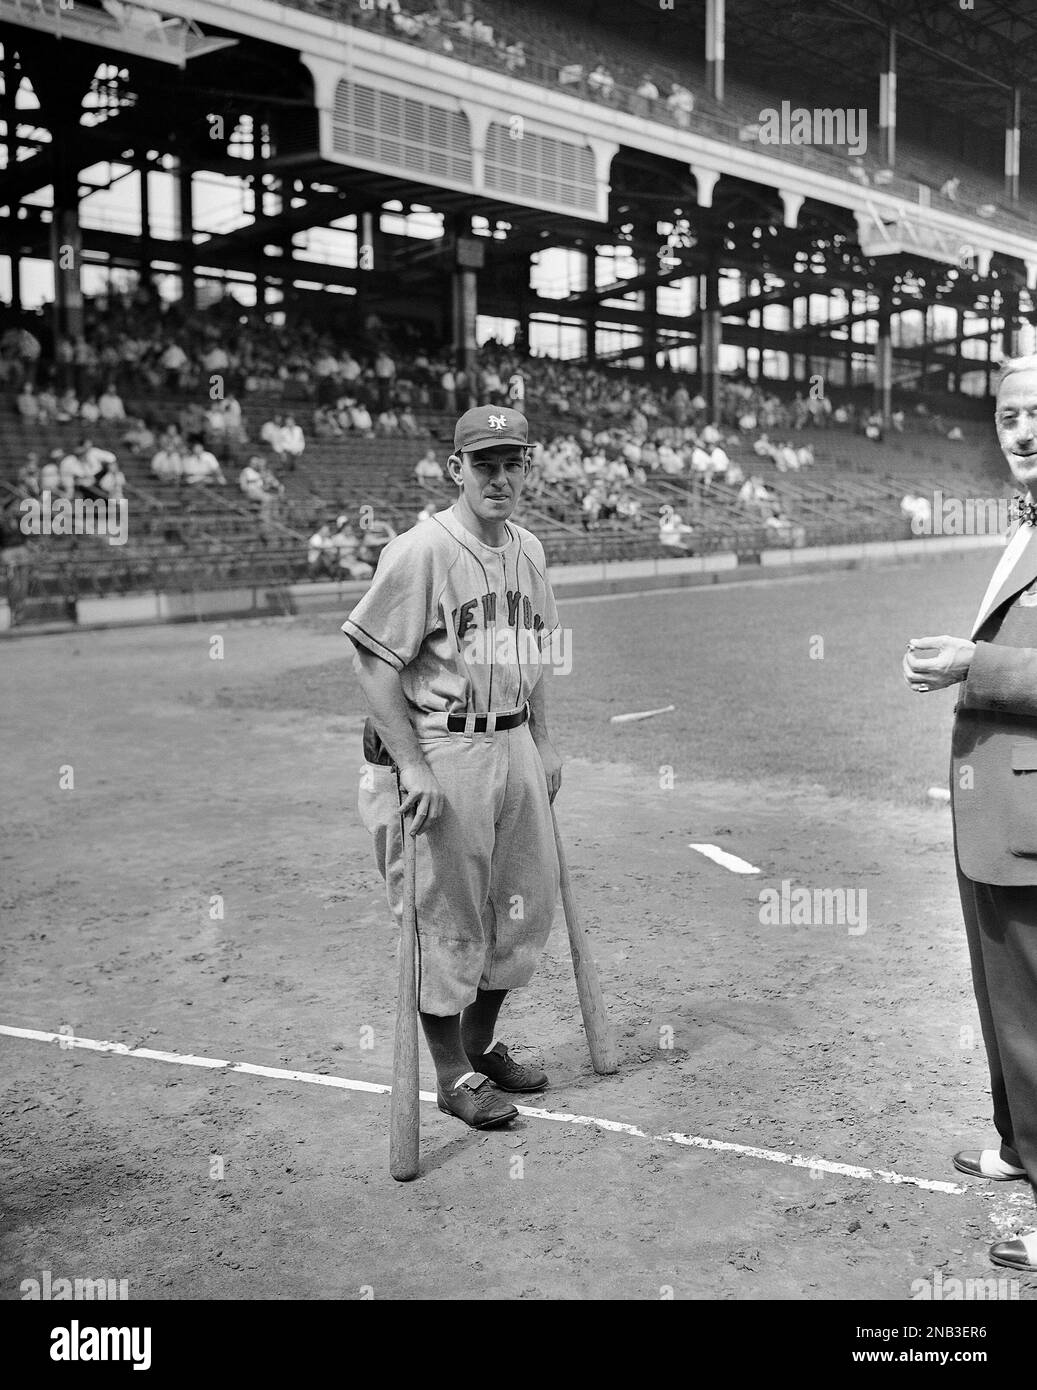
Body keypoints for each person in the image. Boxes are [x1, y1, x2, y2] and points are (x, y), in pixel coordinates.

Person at [343, 404, 563, 1130]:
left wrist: (546, 739)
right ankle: (450, 1074)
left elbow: (537, 655)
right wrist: (413, 768)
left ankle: (481, 1040)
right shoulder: (419, 551)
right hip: (444, 745)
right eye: (484, 464)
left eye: (511, 463)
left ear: (526, 467)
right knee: (447, 915)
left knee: (522, 906)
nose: (499, 477)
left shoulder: (528, 548)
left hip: (513, 742)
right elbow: (373, 662)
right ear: (455, 469)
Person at [903, 352, 1037, 1274]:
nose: (1021, 431)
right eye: (1006, 418)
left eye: (1036, 413)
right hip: (997, 814)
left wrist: (971, 665)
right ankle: (1021, 1147)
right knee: (1006, 1002)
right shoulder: (1025, 524)